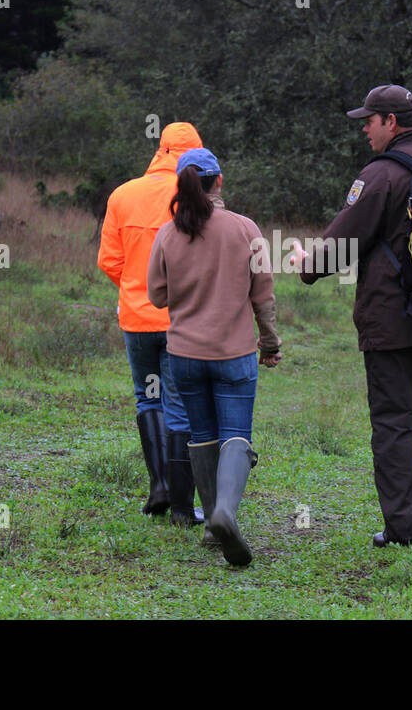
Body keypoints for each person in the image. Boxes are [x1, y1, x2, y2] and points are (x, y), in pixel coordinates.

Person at [299, 84, 412, 548]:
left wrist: (307, 267)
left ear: (391, 122)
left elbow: (344, 241)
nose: (364, 128)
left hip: (392, 319)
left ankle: (404, 529)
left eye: (369, 120)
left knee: (395, 420)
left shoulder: (380, 175)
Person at [147, 148, 281, 566]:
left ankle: (211, 526)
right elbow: (264, 293)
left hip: (184, 355)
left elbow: (156, 295)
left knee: (201, 435)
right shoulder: (246, 229)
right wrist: (270, 343)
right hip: (234, 355)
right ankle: (224, 512)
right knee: (236, 434)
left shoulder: (168, 234)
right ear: (218, 181)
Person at [97, 122, 206, 525]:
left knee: (149, 398)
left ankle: (159, 485)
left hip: (137, 320)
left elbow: (108, 261)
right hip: (181, 319)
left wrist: (135, 287)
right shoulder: (193, 193)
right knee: (180, 407)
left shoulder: (122, 194)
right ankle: (182, 505)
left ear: (160, 149)